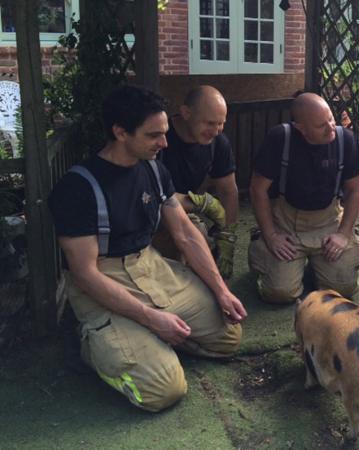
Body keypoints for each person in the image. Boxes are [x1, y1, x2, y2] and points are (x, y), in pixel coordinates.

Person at [48, 85, 247, 412]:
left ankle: (146, 338)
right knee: (163, 391)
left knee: (228, 338)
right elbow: (84, 274)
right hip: (103, 278)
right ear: (120, 132)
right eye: (154, 135)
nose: (165, 143)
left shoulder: (154, 169)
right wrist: (153, 319)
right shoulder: (78, 187)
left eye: (165, 133)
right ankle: (92, 345)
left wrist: (221, 290)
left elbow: (185, 233)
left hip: (150, 266)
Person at [248, 93, 359, 304]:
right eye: (321, 125)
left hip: (327, 222)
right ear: (301, 128)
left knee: (343, 288)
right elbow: (258, 190)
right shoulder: (280, 139)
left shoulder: (344, 140)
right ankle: (267, 253)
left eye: (331, 119)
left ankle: (316, 266)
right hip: (286, 222)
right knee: (279, 293)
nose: (331, 127)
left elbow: (356, 188)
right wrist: (271, 235)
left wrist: (343, 233)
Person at [152, 85, 239, 279]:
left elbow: (228, 191)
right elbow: (152, 194)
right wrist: (204, 203)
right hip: (150, 213)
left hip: (183, 211)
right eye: (209, 123)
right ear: (186, 113)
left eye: (221, 123)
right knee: (197, 235)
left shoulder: (218, 142)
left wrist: (228, 236)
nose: (216, 131)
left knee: (200, 238)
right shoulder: (159, 140)